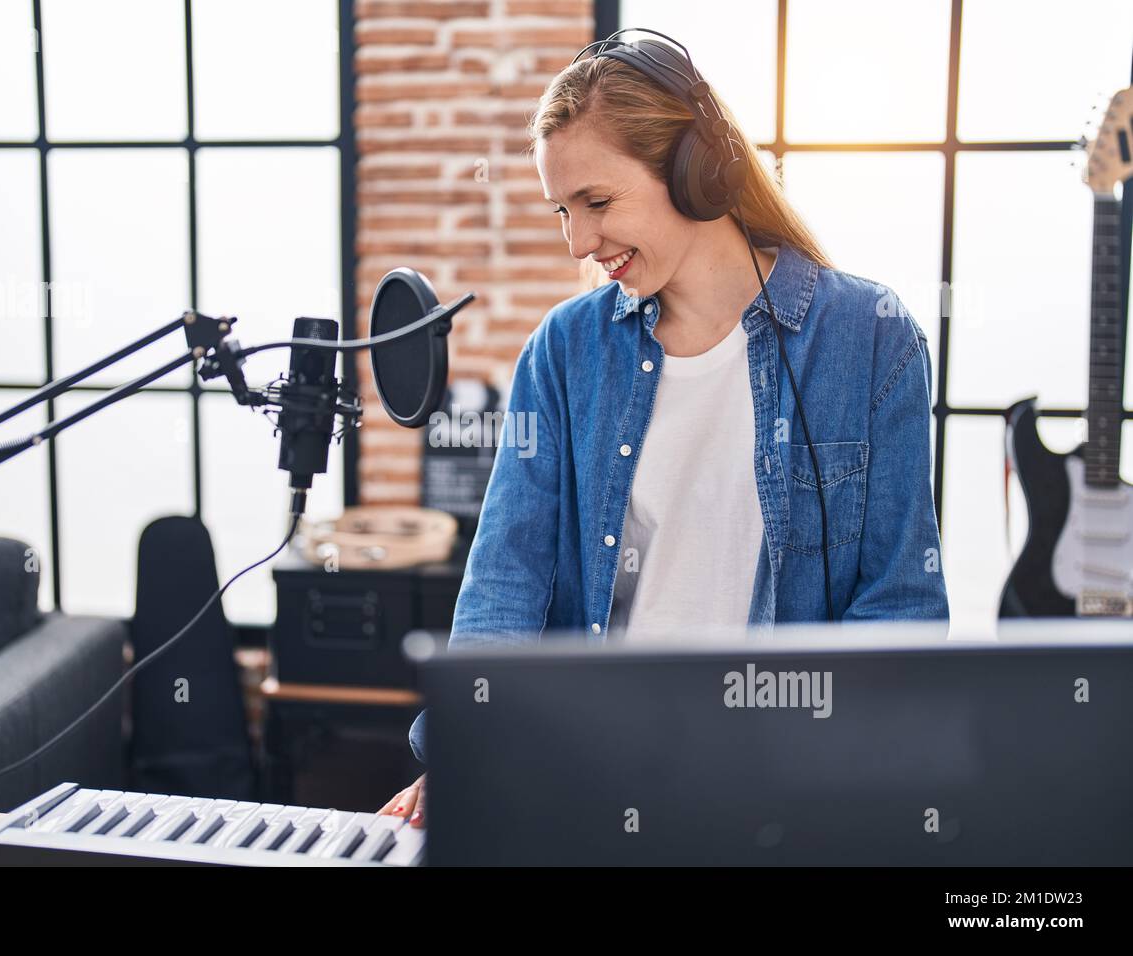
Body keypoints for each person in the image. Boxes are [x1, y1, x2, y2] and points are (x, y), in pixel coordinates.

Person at [377, 30, 949, 828]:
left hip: (786, 797)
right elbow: (506, 581)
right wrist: (464, 751)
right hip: (598, 784)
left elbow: (902, 606)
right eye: (561, 212)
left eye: (598, 203)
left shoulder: (872, 338)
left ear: (696, 166)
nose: (578, 241)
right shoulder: (565, 351)